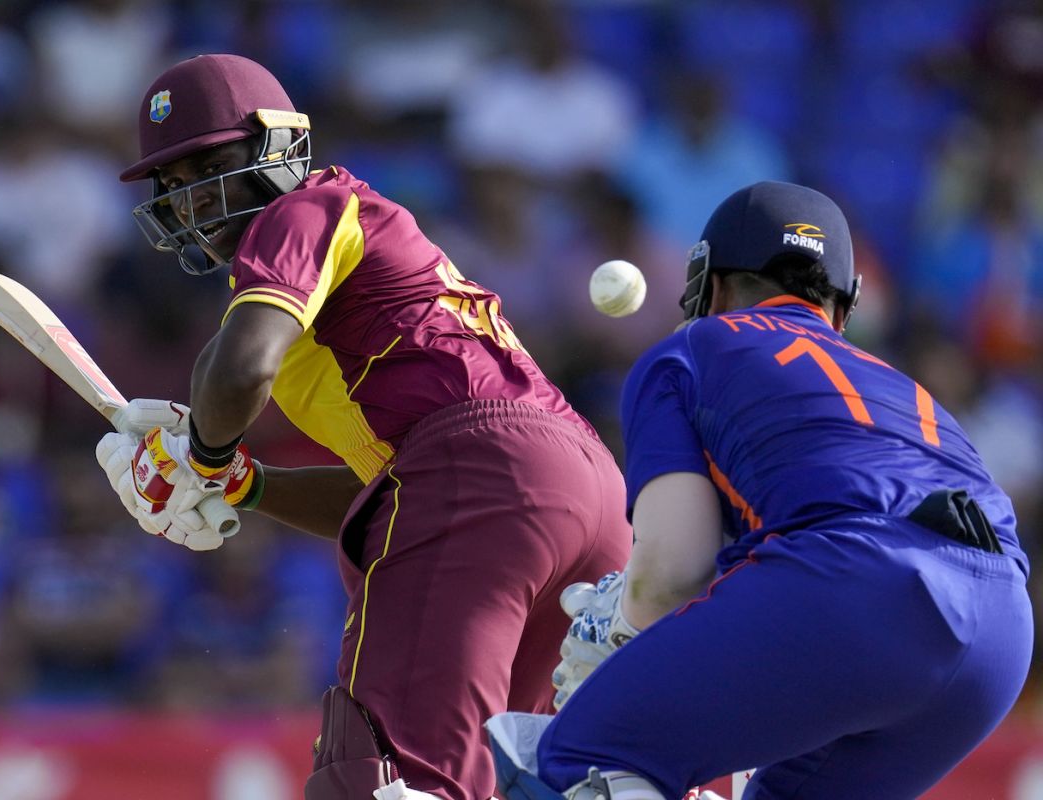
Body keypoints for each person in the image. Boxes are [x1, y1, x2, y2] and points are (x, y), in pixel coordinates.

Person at [93, 53, 632, 800]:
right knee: (518, 780)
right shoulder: (344, 252)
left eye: (208, 167)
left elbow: (242, 370)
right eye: (173, 187)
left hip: (480, 479)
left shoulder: (303, 212)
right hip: (585, 495)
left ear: (277, 149)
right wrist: (243, 482)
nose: (192, 203)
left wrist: (202, 455)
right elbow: (389, 494)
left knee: (386, 782)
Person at [487, 181, 1033, 800]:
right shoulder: (905, 388)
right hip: (1001, 633)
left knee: (575, 757)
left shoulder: (690, 349)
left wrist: (618, 640)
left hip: (855, 586)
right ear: (843, 306)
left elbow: (669, 573)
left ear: (711, 285)